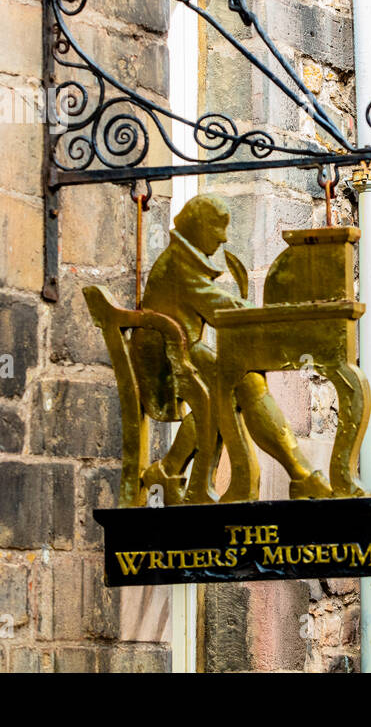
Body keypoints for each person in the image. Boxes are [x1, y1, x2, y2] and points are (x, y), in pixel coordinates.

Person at [132, 193, 333, 502]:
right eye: (218, 227)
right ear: (199, 226)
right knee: (243, 385)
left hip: (182, 349)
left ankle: (171, 469)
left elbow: (214, 301)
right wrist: (266, 316)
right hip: (167, 356)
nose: (224, 237)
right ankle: (300, 474)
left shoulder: (184, 260)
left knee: (245, 385)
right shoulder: (179, 264)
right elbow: (215, 305)